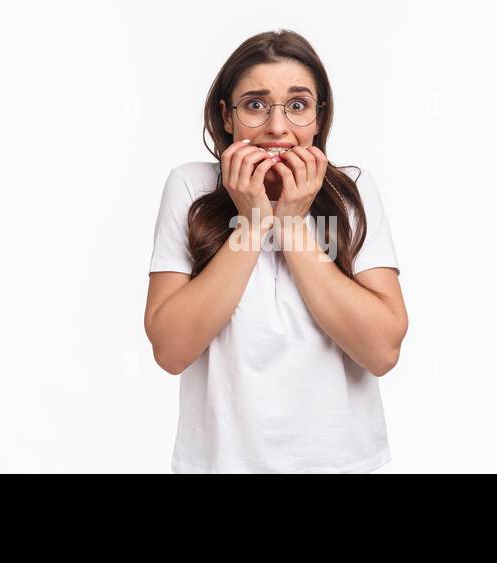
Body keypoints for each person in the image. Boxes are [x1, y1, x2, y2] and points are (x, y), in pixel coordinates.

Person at [144, 29, 408, 473]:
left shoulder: (353, 192)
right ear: (227, 116)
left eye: (298, 105)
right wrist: (252, 222)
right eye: (255, 105)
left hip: (341, 462)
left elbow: (382, 351)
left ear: (319, 119)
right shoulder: (190, 187)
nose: (277, 127)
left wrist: (290, 222)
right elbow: (171, 350)